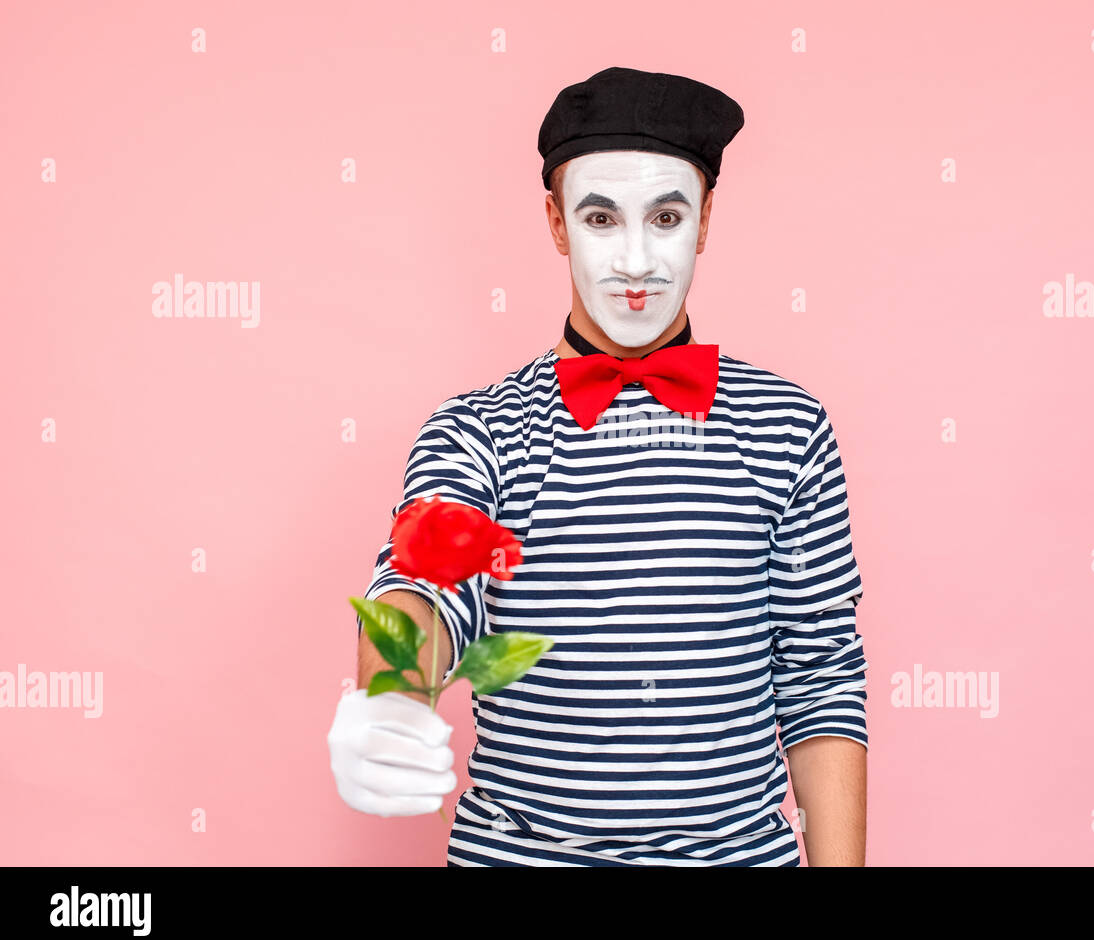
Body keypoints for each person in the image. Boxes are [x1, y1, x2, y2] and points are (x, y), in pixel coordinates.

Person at [328, 66, 868, 866]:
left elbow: (822, 674)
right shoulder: (476, 430)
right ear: (556, 223)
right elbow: (424, 587)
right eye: (602, 218)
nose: (638, 260)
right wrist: (390, 694)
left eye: (668, 216)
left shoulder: (789, 425)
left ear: (706, 219)